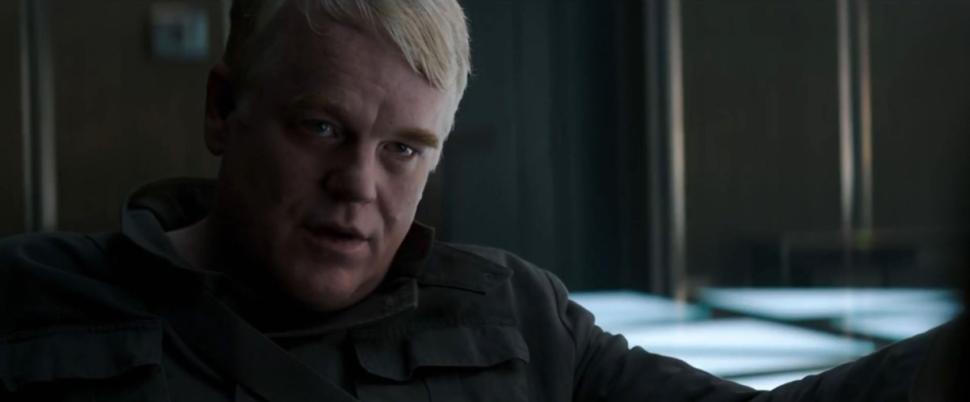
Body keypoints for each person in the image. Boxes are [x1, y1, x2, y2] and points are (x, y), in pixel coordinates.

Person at [0, 0, 945, 400]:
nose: (359, 185)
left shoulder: (516, 316)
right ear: (223, 110)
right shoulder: (32, 303)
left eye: (404, 149)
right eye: (320, 127)